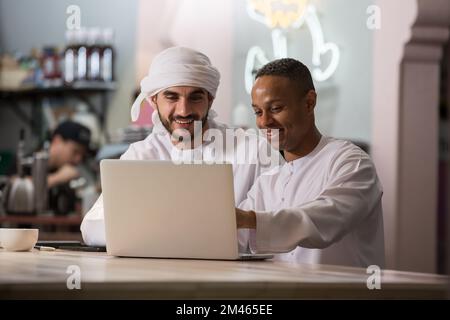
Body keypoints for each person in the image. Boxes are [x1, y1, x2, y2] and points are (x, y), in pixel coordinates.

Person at [81, 46, 282, 246]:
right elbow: (92, 229)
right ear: (153, 101)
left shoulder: (253, 152)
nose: (184, 110)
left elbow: (279, 228)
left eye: (195, 97)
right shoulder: (140, 155)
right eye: (171, 97)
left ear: (210, 100)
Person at [236, 58, 385, 268]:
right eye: (258, 112)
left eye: (276, 108)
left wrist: (248, 219)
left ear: (309, 102)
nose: (264, 121)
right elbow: (234, 239)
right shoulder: (267, 182)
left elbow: (325, 219)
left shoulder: (351, 162)